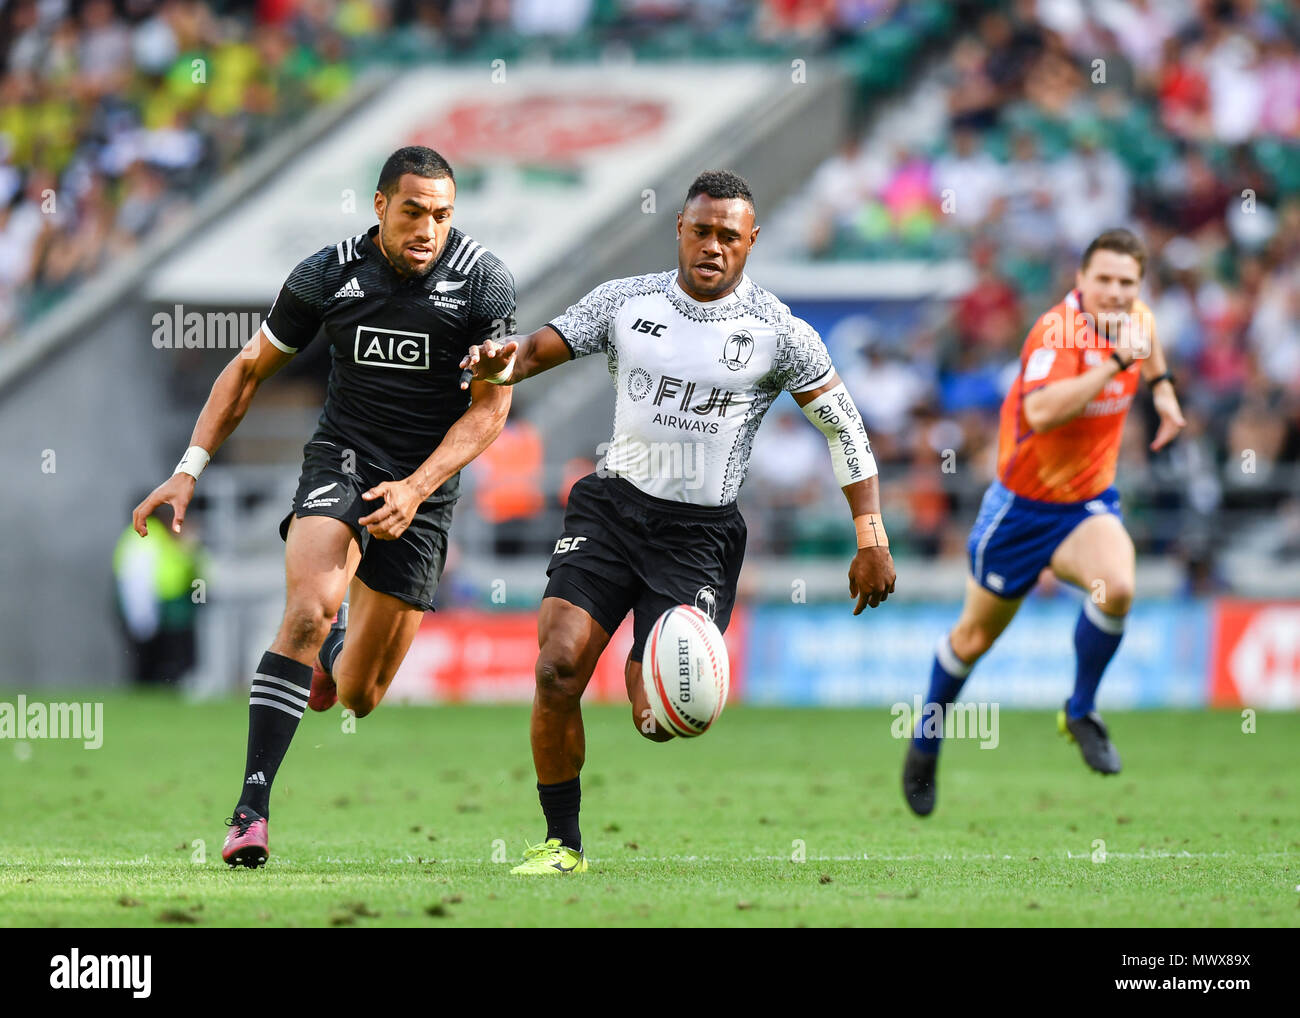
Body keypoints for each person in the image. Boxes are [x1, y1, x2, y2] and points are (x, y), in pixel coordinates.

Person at [459, 170, 897, 873]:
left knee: (656, 718)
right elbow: (540, 347)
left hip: (698, 537)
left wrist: (870, 536)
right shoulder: (625, 302)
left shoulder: (779, 334)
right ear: (680, 231)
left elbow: (845, 430)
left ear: (752, 240)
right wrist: (496, 361)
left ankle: (646, 692)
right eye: (702, 231)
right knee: (556, 669)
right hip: (610, 509)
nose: (714, 246)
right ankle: (561, 844)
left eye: (730, 235)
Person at [131, 146, 515, 866]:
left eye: (441, 214)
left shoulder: (484, 282)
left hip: (423, 484)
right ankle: (251, 810)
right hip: (344, 456)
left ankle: (336, 655)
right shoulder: (327, 274)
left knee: (359, 695)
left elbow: (492, 410)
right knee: (306, 610)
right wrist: (189, 470)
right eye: (412, 212)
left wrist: (417, 487)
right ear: (379, 207)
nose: (427, 228)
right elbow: (247, 370)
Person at [902, 228, 1187, 817]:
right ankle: (926, 741)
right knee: (973, 639)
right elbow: (1040, 410)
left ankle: (1080, 711)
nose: (1114, 291)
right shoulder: (1056, 333)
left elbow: (1149, 343)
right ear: (1080, 280)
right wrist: (1114, 364)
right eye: (1103, 279)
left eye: (1126, 282)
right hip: (1021, 510)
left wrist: (1162, 392)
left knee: (1120, 588)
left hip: (1085, 506)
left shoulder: (1138, 320)